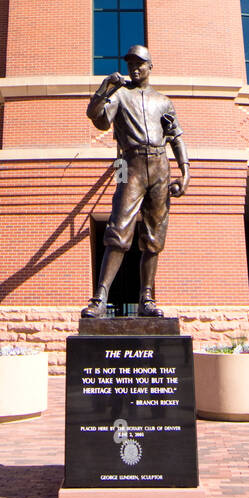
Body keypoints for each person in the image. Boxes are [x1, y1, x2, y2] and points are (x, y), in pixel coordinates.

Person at [81, 45, 190, 319]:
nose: (135, 68)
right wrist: (104, 88)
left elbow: (176, 136)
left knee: (154, 237)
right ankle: (100, 298)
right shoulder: (119, 94)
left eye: (140, 63)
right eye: (131, 64)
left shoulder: (163, 101)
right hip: (130, 165)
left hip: (160, 167)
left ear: (150, 66)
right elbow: (97, 119)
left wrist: (185, 171)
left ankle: (147, 298)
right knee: (118, 231)